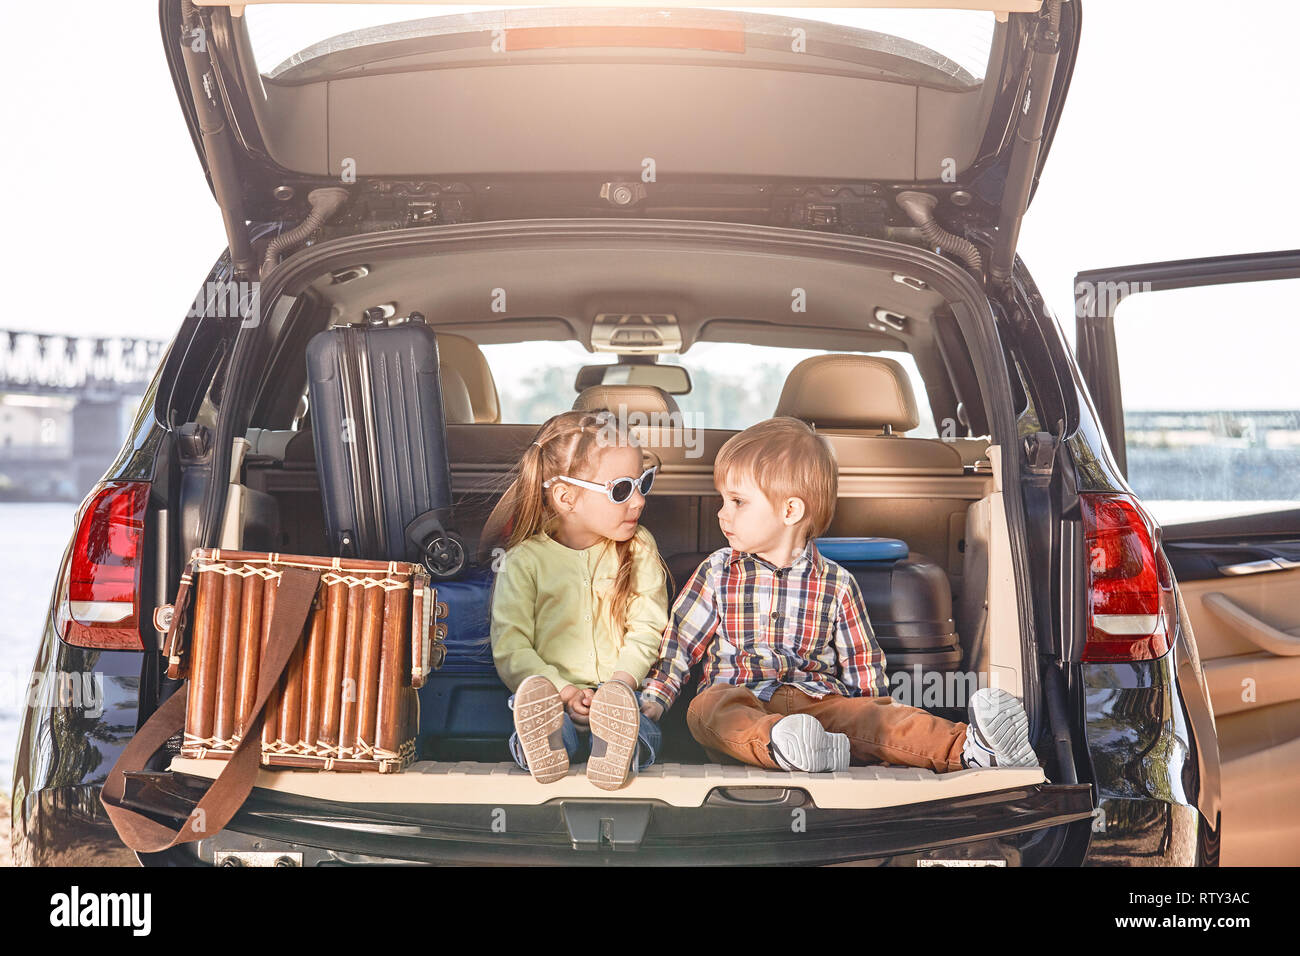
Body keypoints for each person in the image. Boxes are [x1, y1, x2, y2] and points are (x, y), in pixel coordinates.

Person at [639, 416, 1039, 774]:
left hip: (820, 705)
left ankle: (973, 748)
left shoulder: (836, 582)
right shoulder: (717, 571)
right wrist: (653, 702)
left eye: (737, 502)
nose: (722, 513)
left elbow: (862, 661)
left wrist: (875, 717)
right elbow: (678, 649)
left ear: (791, 511)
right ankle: (782, 745)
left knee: (877, 719)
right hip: (742, 701)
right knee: (706, 710)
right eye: (723, 500)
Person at [487, 408, 670, 790]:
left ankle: (617, 746)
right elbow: (512, 646)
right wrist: (564, 692)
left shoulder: (639, 548)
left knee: (641, 728)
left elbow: (648, 627)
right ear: (566, 497)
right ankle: (549, 744)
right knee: (534, 720)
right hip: (552, 698)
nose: (638, 501)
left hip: (622, 695)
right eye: (621, 489)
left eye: (643, 483)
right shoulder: (524, 561)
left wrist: (618, 688)